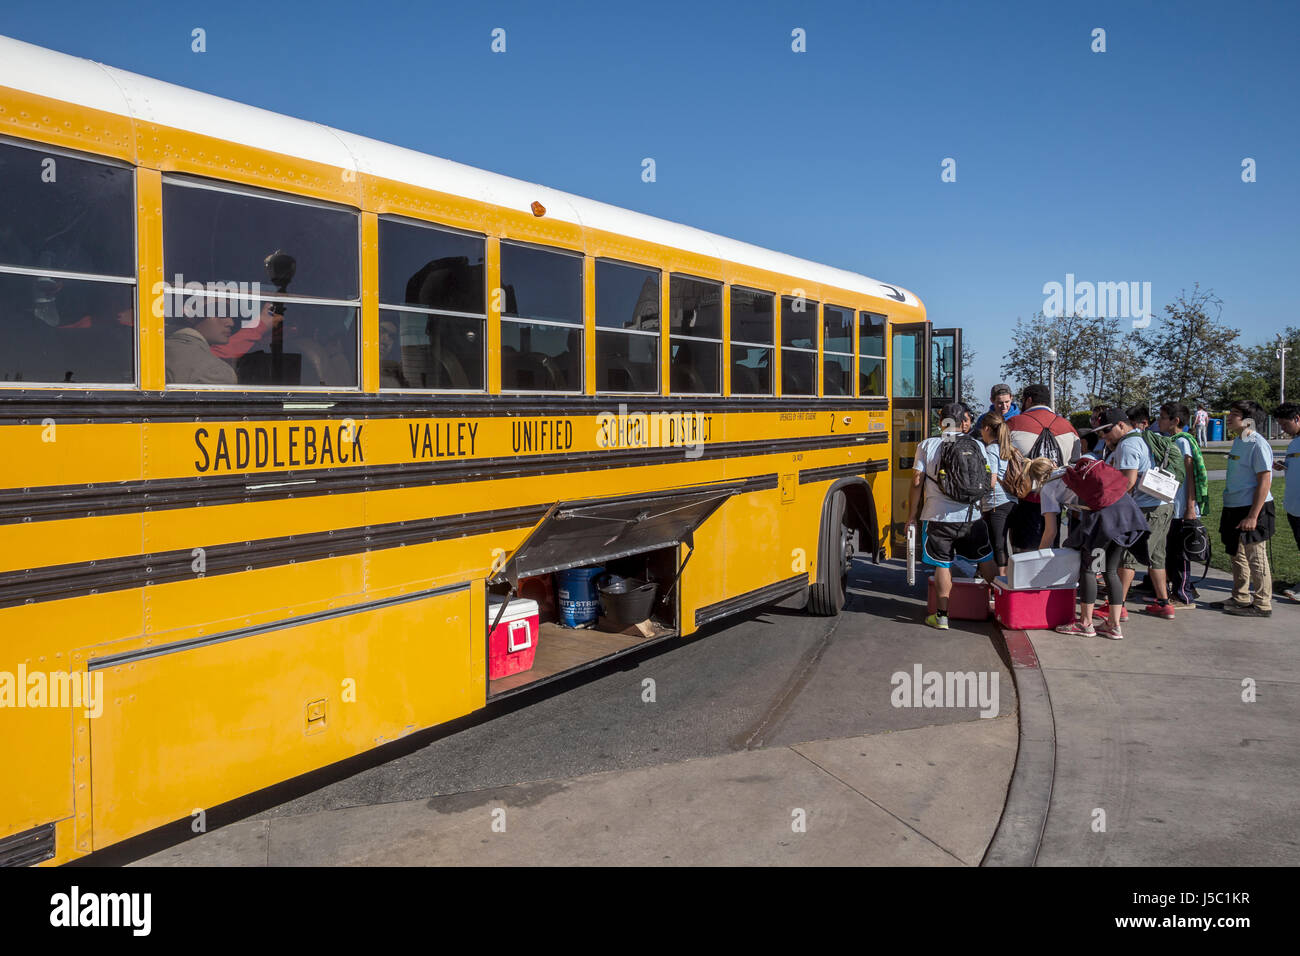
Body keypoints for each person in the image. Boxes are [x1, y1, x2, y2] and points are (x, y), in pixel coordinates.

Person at [905, 402, 999, 630]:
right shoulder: (976, 444)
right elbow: (990, 481)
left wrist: (911, 515)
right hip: (971, 516)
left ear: (941, 422)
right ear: (963, 423)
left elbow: (917, 481)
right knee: (985, 558)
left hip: (938, 516)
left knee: (942, 564)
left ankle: (942, 616)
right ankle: (1003, 603)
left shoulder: (928, 445)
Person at [1040, 453, 1148, 639]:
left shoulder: (1047, 487)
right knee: (1110, 571)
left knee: (1089, 569)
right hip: (1127, 513)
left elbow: (1050, 531)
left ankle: (1085, 623)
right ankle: (1113, 625)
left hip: (1105, 521)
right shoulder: (1074, 469)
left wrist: (1039, 558)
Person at [1097, 407, 1177, 619]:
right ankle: (1164, 604)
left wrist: (1110, 504)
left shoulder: (1128, 444)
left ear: (1121, 425)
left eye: (1107, 430)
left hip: (1145, 508)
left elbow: (1128, 481)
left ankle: (1117, 605)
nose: (1104, 436)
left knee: (1127, 557)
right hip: (1163, 504)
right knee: (1156, 556)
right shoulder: (1142, 438)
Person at [1212, 401, 1275, 617]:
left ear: (1248, 420)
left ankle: (1262, 604)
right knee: (1236, 554)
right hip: (1234, 506)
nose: (1229, 417)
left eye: (1235, 414)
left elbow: (1265, 480)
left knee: (1256, 556)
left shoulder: (1257, 443)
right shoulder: (1240, 441)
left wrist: (1253, 516)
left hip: (1252, 508)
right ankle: (1240, 597)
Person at [1005, 384, 1081, 550]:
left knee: (1024, 553)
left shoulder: (1014, 423)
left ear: (1029, 400)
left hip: (1024, 498)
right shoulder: (1068, 427)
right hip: (1056, 499)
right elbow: (1075, 462)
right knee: (1050, 551)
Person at [1159, 403, 1201, 607]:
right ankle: (1176, 588)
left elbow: (1190, 474)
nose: (1159, 421)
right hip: (1171, 505)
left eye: (1163, 417)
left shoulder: (1182, 442)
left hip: (1181, 506)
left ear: (1175, 421)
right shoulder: (1170, 441)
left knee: (1179, 554)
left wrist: (1190, 506)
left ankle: (1184, 595)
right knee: (1170, 552)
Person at [979, 410, 1021, 576]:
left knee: (998, 545)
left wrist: (978, 492)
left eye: (982, 429)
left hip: (996, 503)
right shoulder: (1010, 448)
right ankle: (1008, 581)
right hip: (1012, 501)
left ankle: (1000, 584)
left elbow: (992, 479)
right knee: (1006, 544)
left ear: (987, 429)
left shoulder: (991, 450)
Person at [164, 306, 236, 385]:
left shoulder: (158, 346)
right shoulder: (216, 372)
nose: (231, 323)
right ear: (191, 315)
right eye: (221, 314)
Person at [1272, 402, 1300, 602]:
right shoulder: (1294, 442)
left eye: (1284, 425)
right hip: (1294, 506)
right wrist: (1284, 465)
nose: (1283, 430)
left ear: (1297, 419)